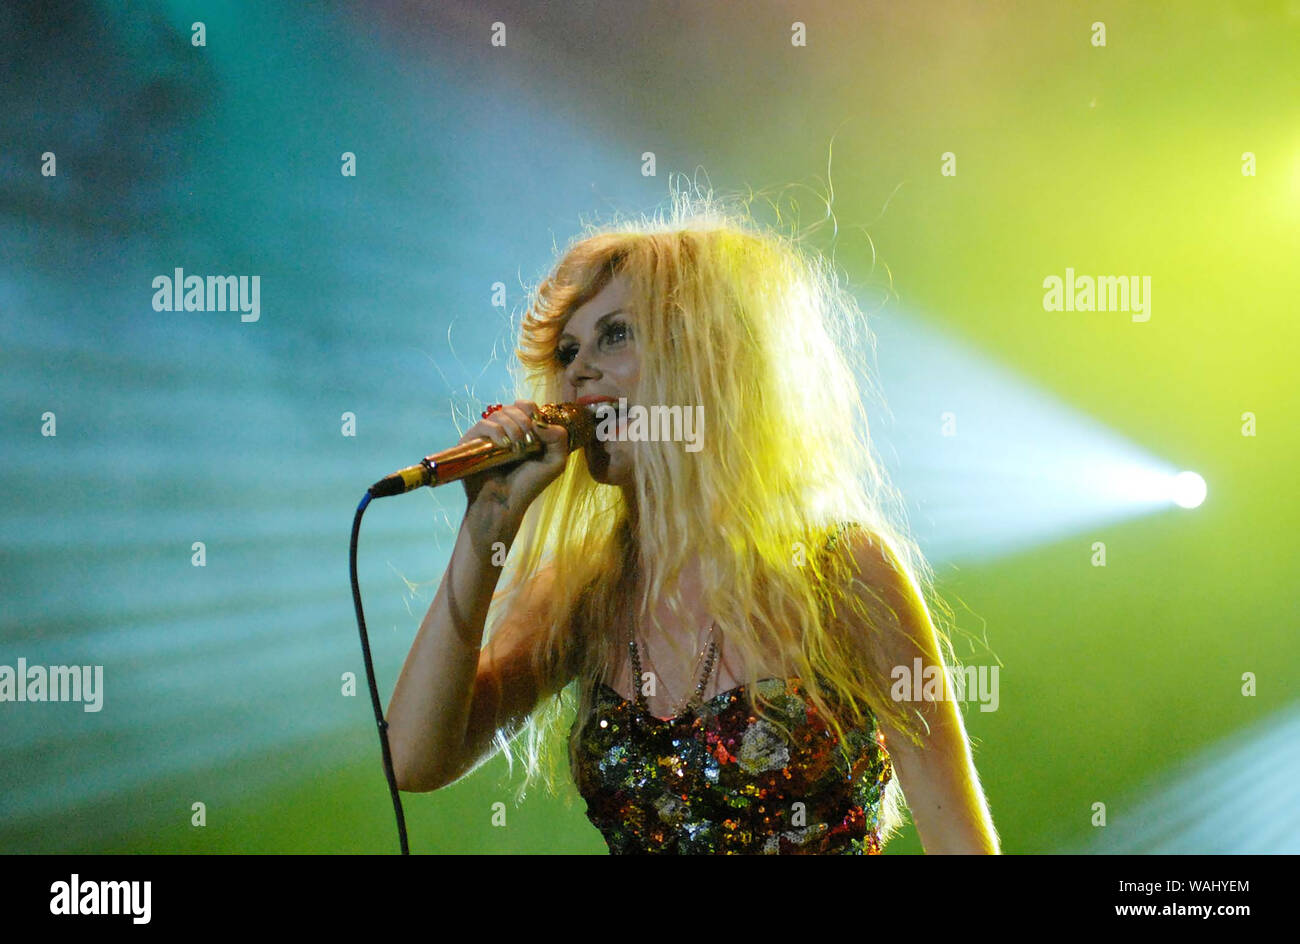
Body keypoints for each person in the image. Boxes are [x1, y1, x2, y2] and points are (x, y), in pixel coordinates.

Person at [386, 190, 1000, 854]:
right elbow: (415, 761)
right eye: (565, 353)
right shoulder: (577, 593)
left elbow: (958, 839)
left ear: (708, 355)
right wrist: (486, 533)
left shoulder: (844, 571)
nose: (579, 370)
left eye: (615, 334)